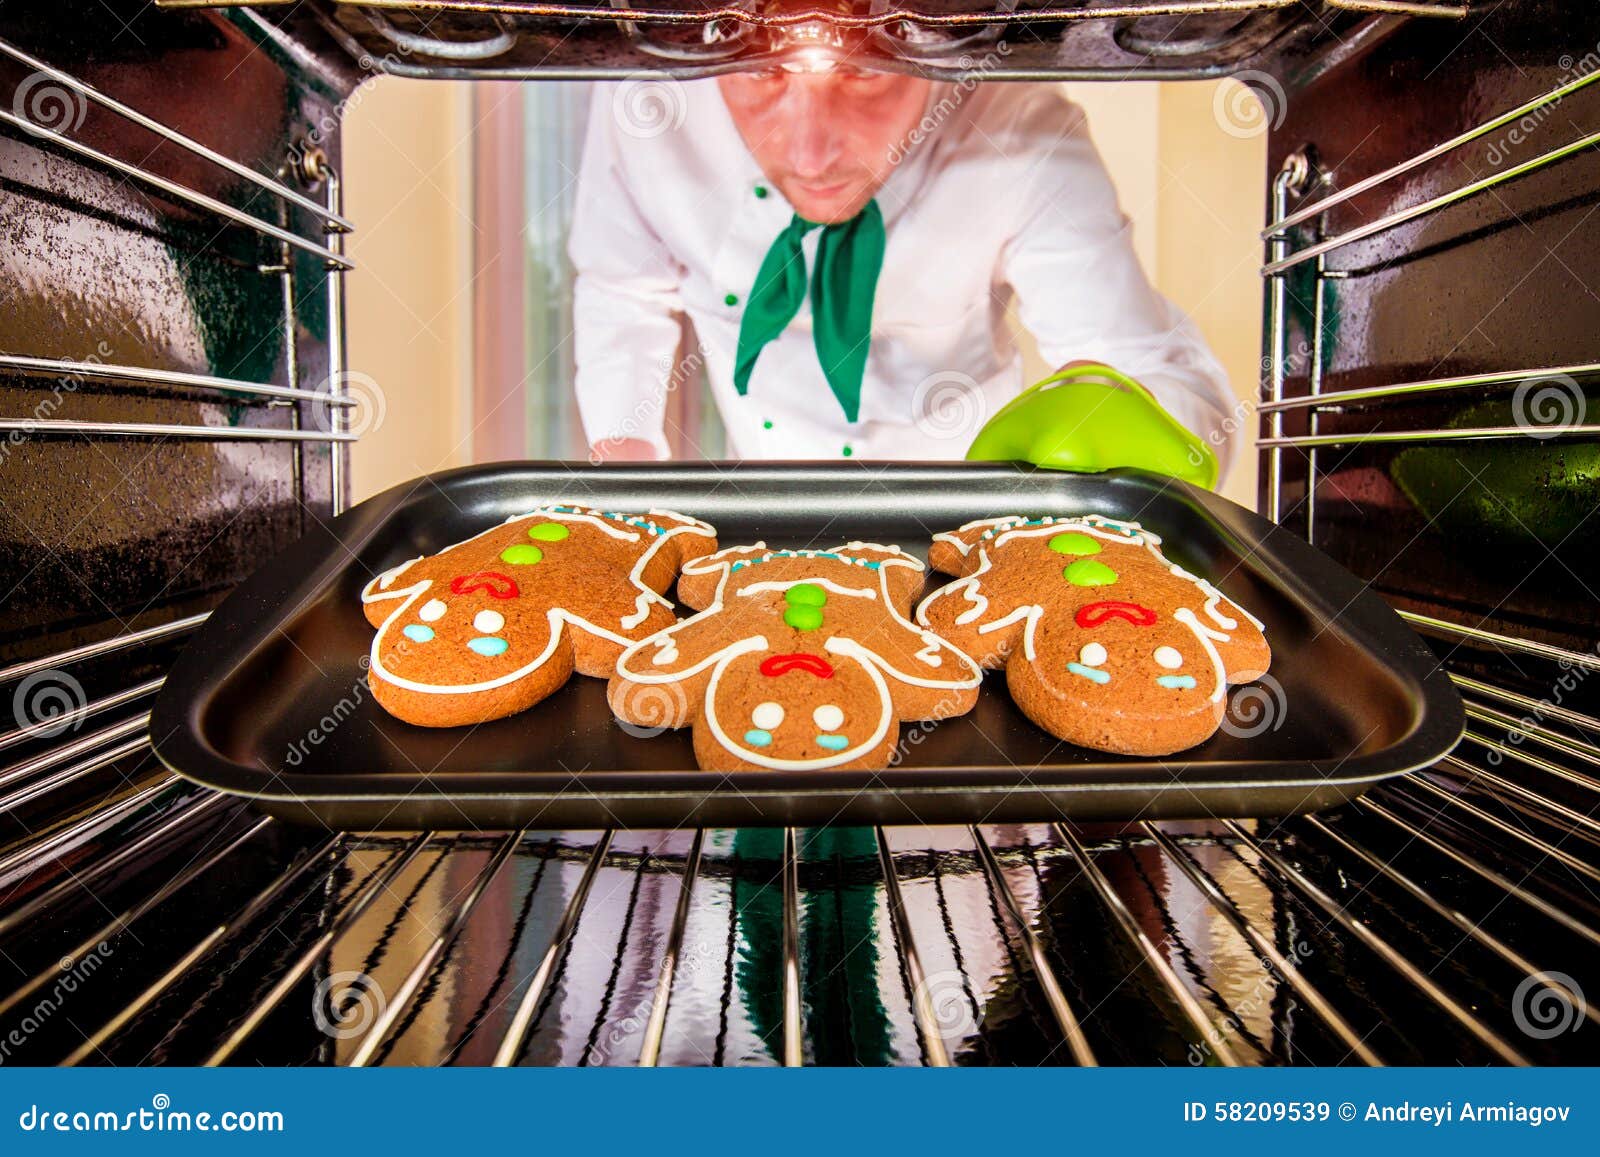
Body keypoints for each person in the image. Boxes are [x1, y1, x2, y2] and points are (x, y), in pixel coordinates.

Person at [569, 40, 1235, 471]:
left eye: (861, 73)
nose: (809, 155)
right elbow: (622, 289)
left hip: (961, 511)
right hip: (768, 492)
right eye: (763, 72)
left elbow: (1157, 374)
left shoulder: (1017, 127)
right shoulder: (646, 101)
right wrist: (628, 473)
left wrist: (1111, 420)